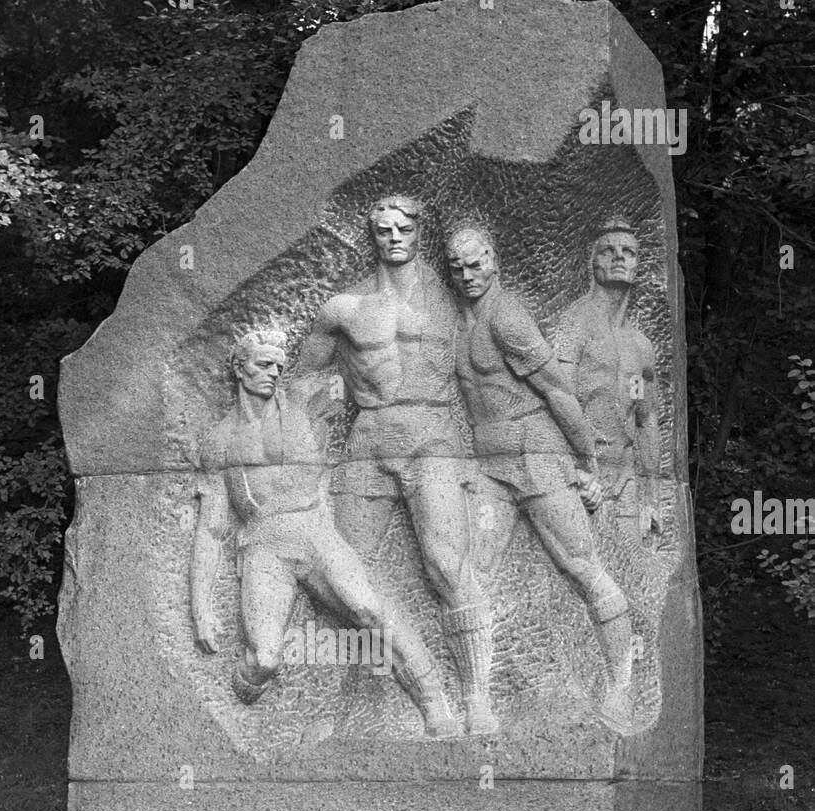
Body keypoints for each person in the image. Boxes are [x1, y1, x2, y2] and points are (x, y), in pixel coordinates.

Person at [190, 328, 461, 738]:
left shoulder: (302, 402)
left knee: (368, 607)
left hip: (315, 532)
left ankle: (435, 703)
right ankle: (237, 723)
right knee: (263, 659)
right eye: (263, 365)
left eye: (279, 367)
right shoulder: (220, 441)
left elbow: (365, 361)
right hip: (263, 546)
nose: (273, 374)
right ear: (238, 368)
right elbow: (211, 530)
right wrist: (200, 607)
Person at [294, 195, 498, 737]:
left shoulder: (455, 294)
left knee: (446, 565)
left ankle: (477, 697)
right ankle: (398, 691)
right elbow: (303, 382)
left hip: (433, 434)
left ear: (419, 230)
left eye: (402, 227)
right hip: (369, 435)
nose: (393, 237)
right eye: (382, 229)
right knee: (337, 572)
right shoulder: (344, 308)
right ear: (373, 236)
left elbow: (493, 367)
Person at [445, 223, 635, 735]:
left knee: (581, 566)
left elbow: (558, 390)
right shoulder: (464, 323)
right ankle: (477, 702)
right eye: (458, 268)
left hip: (538, 458)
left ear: (494, 261)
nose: (467, 275)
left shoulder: (507, 317)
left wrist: (587, 461)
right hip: (491, 468)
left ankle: (621, 684)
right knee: (471, 574)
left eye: (476, 263)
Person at [554, 218, 663, 547]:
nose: (619, 257)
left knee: (631, 568)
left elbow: (646, 420)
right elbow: (559, 399)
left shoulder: (640, 346)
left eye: (628, 252)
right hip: (585, 474)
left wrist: (652, 496)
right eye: (608, 251)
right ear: (593, 262)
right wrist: (579, 471)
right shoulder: (575, 324)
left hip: (625, 475)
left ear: (637, 264)